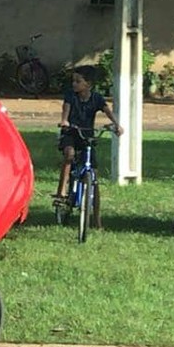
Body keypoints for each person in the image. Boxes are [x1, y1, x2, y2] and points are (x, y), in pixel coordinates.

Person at [55, 66, 123, 228]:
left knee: (95, 179)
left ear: (89, 85)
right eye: (74, 81)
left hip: (87, 136)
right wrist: (64, 121)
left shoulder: (97, 98)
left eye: (78, 81)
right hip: (71, 132)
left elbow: (107, 111)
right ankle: (62, 189)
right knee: (69, 154)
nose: (74, 84)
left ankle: (97, 219)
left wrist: (116, 125)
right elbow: (66, 109)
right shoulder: (71, 96)